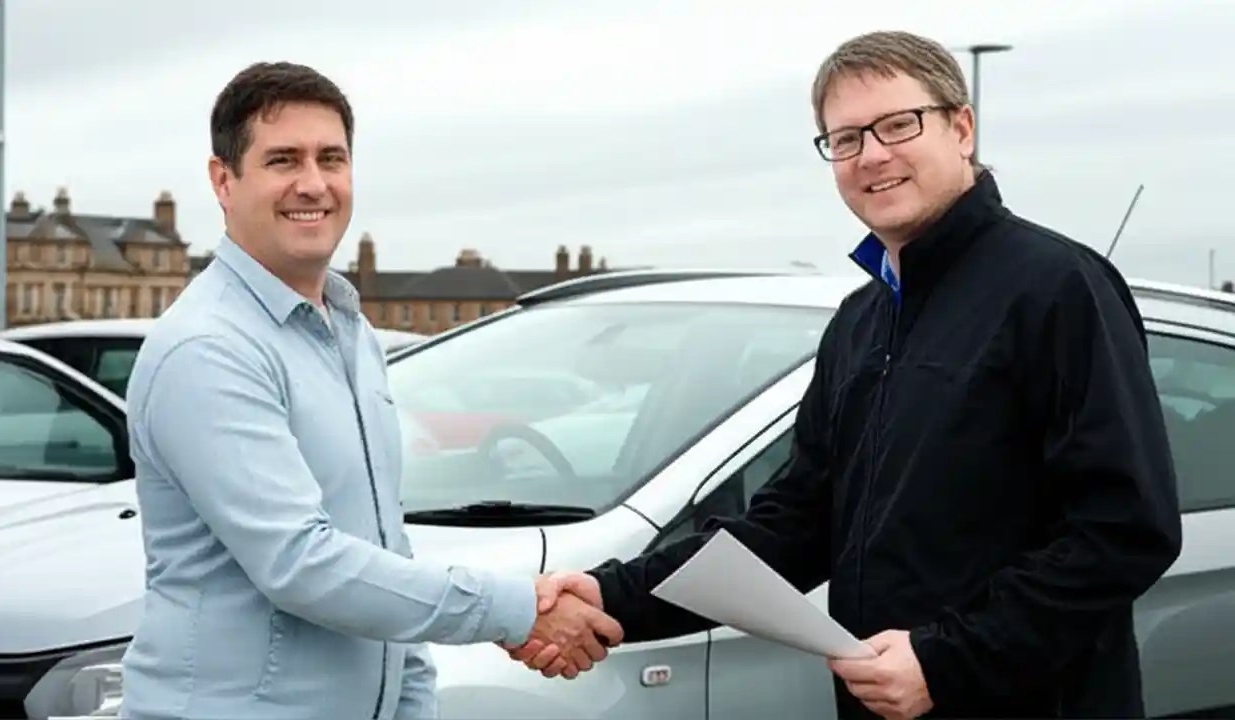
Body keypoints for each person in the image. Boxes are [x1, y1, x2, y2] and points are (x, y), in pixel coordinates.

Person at [507, 30, 1182, 720]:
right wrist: (612, 597)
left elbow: (1125, 529)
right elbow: (798, 520)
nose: (874, 155)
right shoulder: (862, 320)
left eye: (898, 125)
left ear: (962, 127)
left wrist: (948, 659)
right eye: (848, 138)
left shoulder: (1057, 287)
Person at [119, 61, 621, 720]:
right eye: (283, 160)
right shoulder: (208, 349)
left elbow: (382, 549)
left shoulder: (346, 329)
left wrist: (412, 703)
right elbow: (302, 563)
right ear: (223, 179)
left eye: (332, 158)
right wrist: (518, 609)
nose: (313, 184)